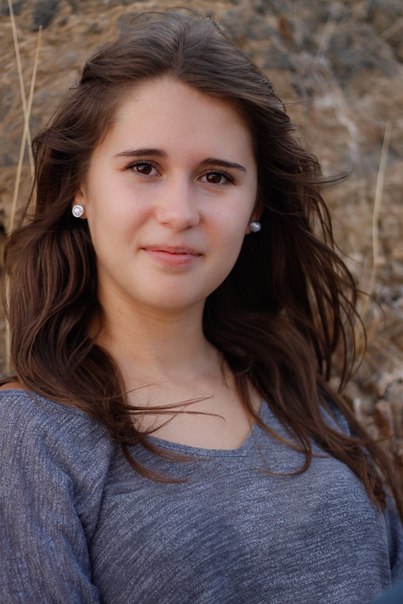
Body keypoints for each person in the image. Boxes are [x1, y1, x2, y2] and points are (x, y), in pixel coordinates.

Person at [0, 9, 402, 604]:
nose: (180, 212)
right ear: (80, 185)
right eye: (143, 167)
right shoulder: (30, 435)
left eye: (216, 177)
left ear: (255, 206)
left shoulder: (295, 390)